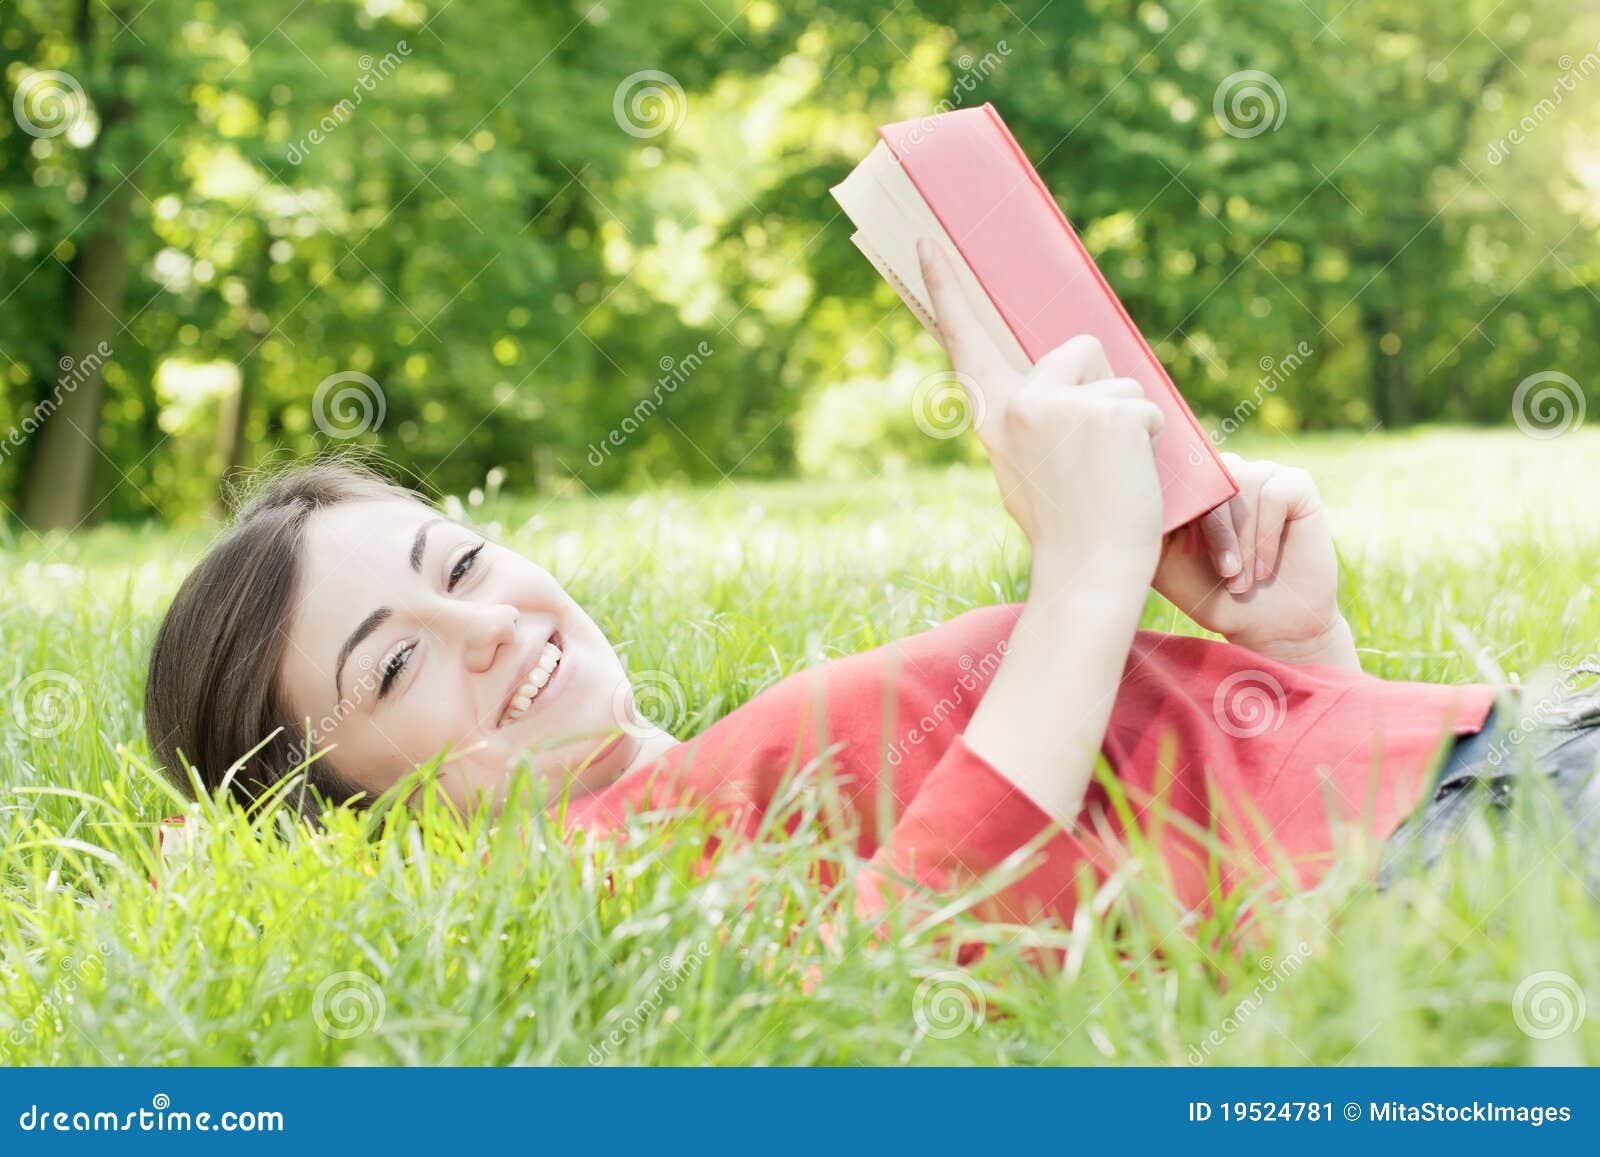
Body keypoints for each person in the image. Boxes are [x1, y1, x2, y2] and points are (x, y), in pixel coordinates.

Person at [142, 243, 1596, 929]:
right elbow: (894, 962)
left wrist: (1298, 649)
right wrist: (1086, 576)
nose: (484, 621)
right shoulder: (591, 894)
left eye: (457, 562)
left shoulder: (704, 778)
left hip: (1484, 763)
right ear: (338, 810)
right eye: (394, 666)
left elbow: (1159, 827)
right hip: (1451, 855)